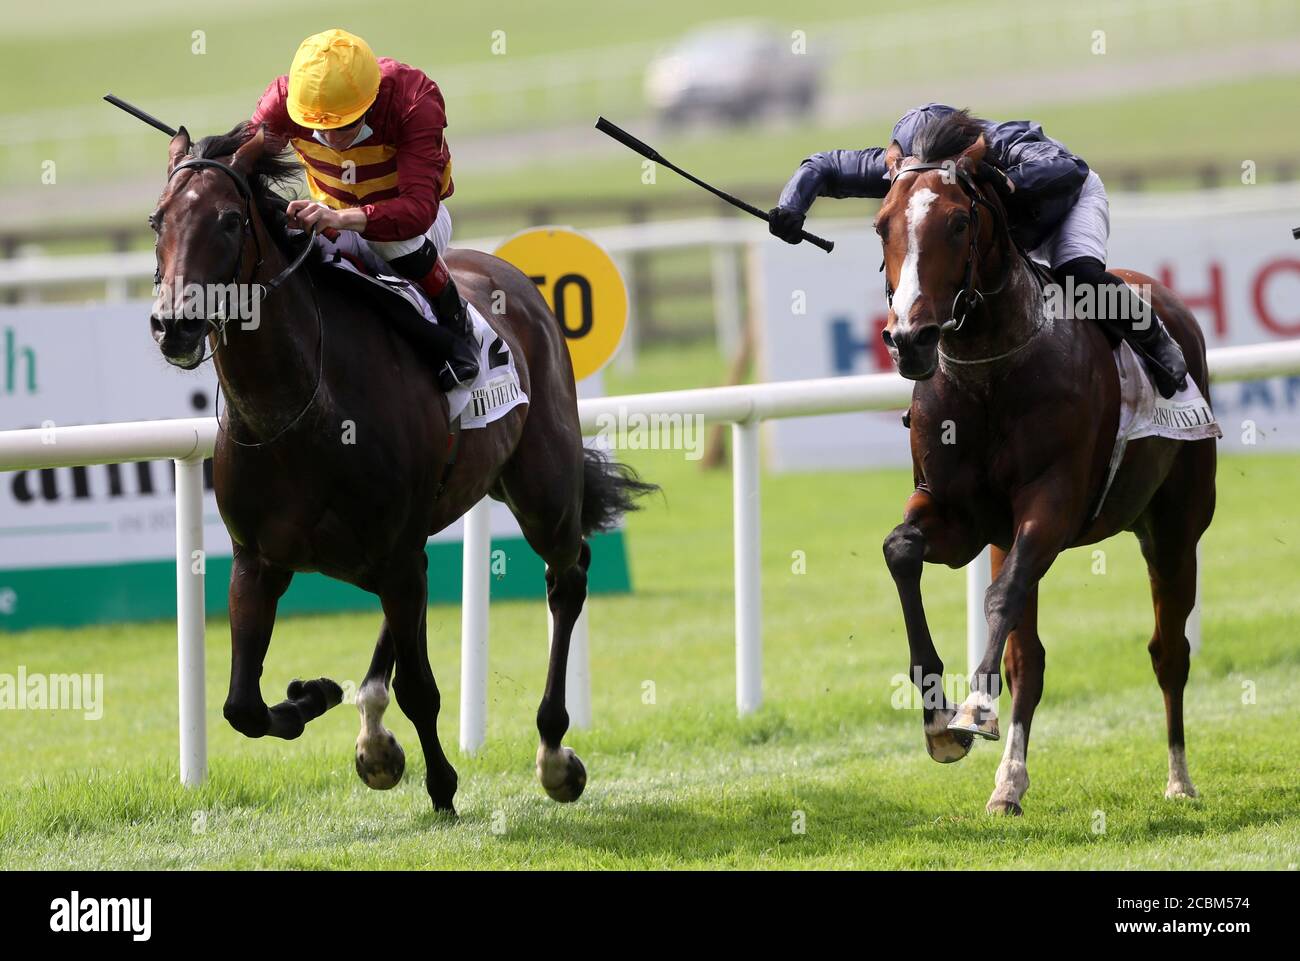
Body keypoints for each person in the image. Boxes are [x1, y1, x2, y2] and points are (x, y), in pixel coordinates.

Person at [768, 103, 1188, 397]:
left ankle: (1157, 341)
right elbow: (821, 166)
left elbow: (1069, 169)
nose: (920, 172)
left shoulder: (1004, 142)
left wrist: (1002, 180)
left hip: (1064, 204)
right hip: (993, 233)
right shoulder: (909, 169)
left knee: (1076, 279)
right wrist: (791, 207)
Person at [251, 28, 479, 391]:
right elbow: (242, 166)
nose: (332, 138)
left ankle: (455, 322)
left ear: (371, 101)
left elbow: (418, 210)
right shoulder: (281, 102)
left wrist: (342, 218)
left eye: (344, 125)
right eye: (316, 127)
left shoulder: (413, 98)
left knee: (388, 244)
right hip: (330, 215)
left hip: (415, 229)